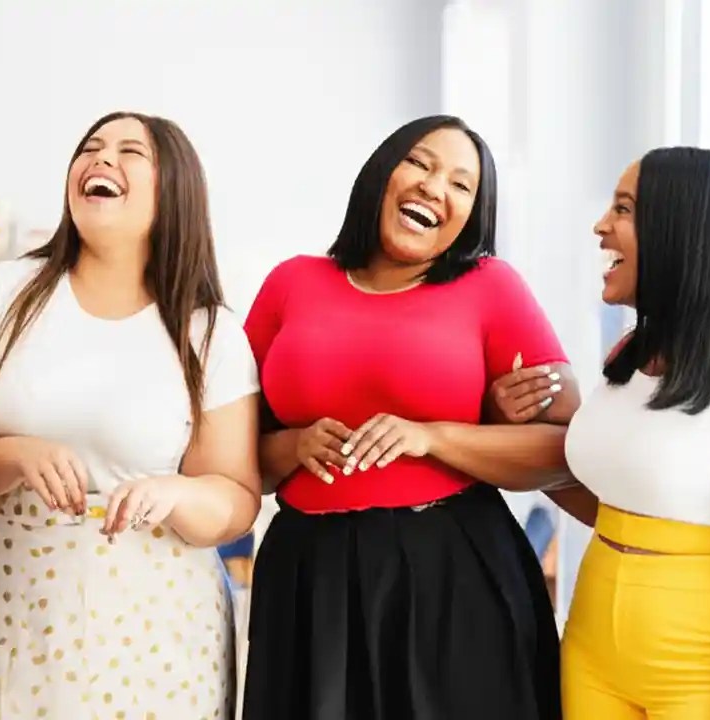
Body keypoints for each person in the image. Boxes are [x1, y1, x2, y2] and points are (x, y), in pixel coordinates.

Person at [240, 114, 579, 720]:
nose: (434, 186)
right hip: (307, 574)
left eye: (461, 184)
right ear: (381, 174)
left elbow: (565, 451)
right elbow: (232, 458)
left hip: (450, 572)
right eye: (420, 163)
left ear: (472, 213)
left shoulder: (491, 286)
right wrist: (293, 447)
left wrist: (434, 437)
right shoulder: (291, 283)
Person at [0, 111, 261, 719]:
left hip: (164, 627)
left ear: (175, 190)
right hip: (16, 610)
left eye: (130, 151)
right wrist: (16, 454)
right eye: (91, 147)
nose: (101, 158)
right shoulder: (3, 292)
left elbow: (237, 498)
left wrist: (176, 493)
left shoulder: (209, 332)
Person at [550, 148, 710, 719]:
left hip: (704, 668)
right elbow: (616, 504)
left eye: (623, 209)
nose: (600, 226)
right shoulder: (629, 354)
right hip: (592, 647)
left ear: (685, 230)